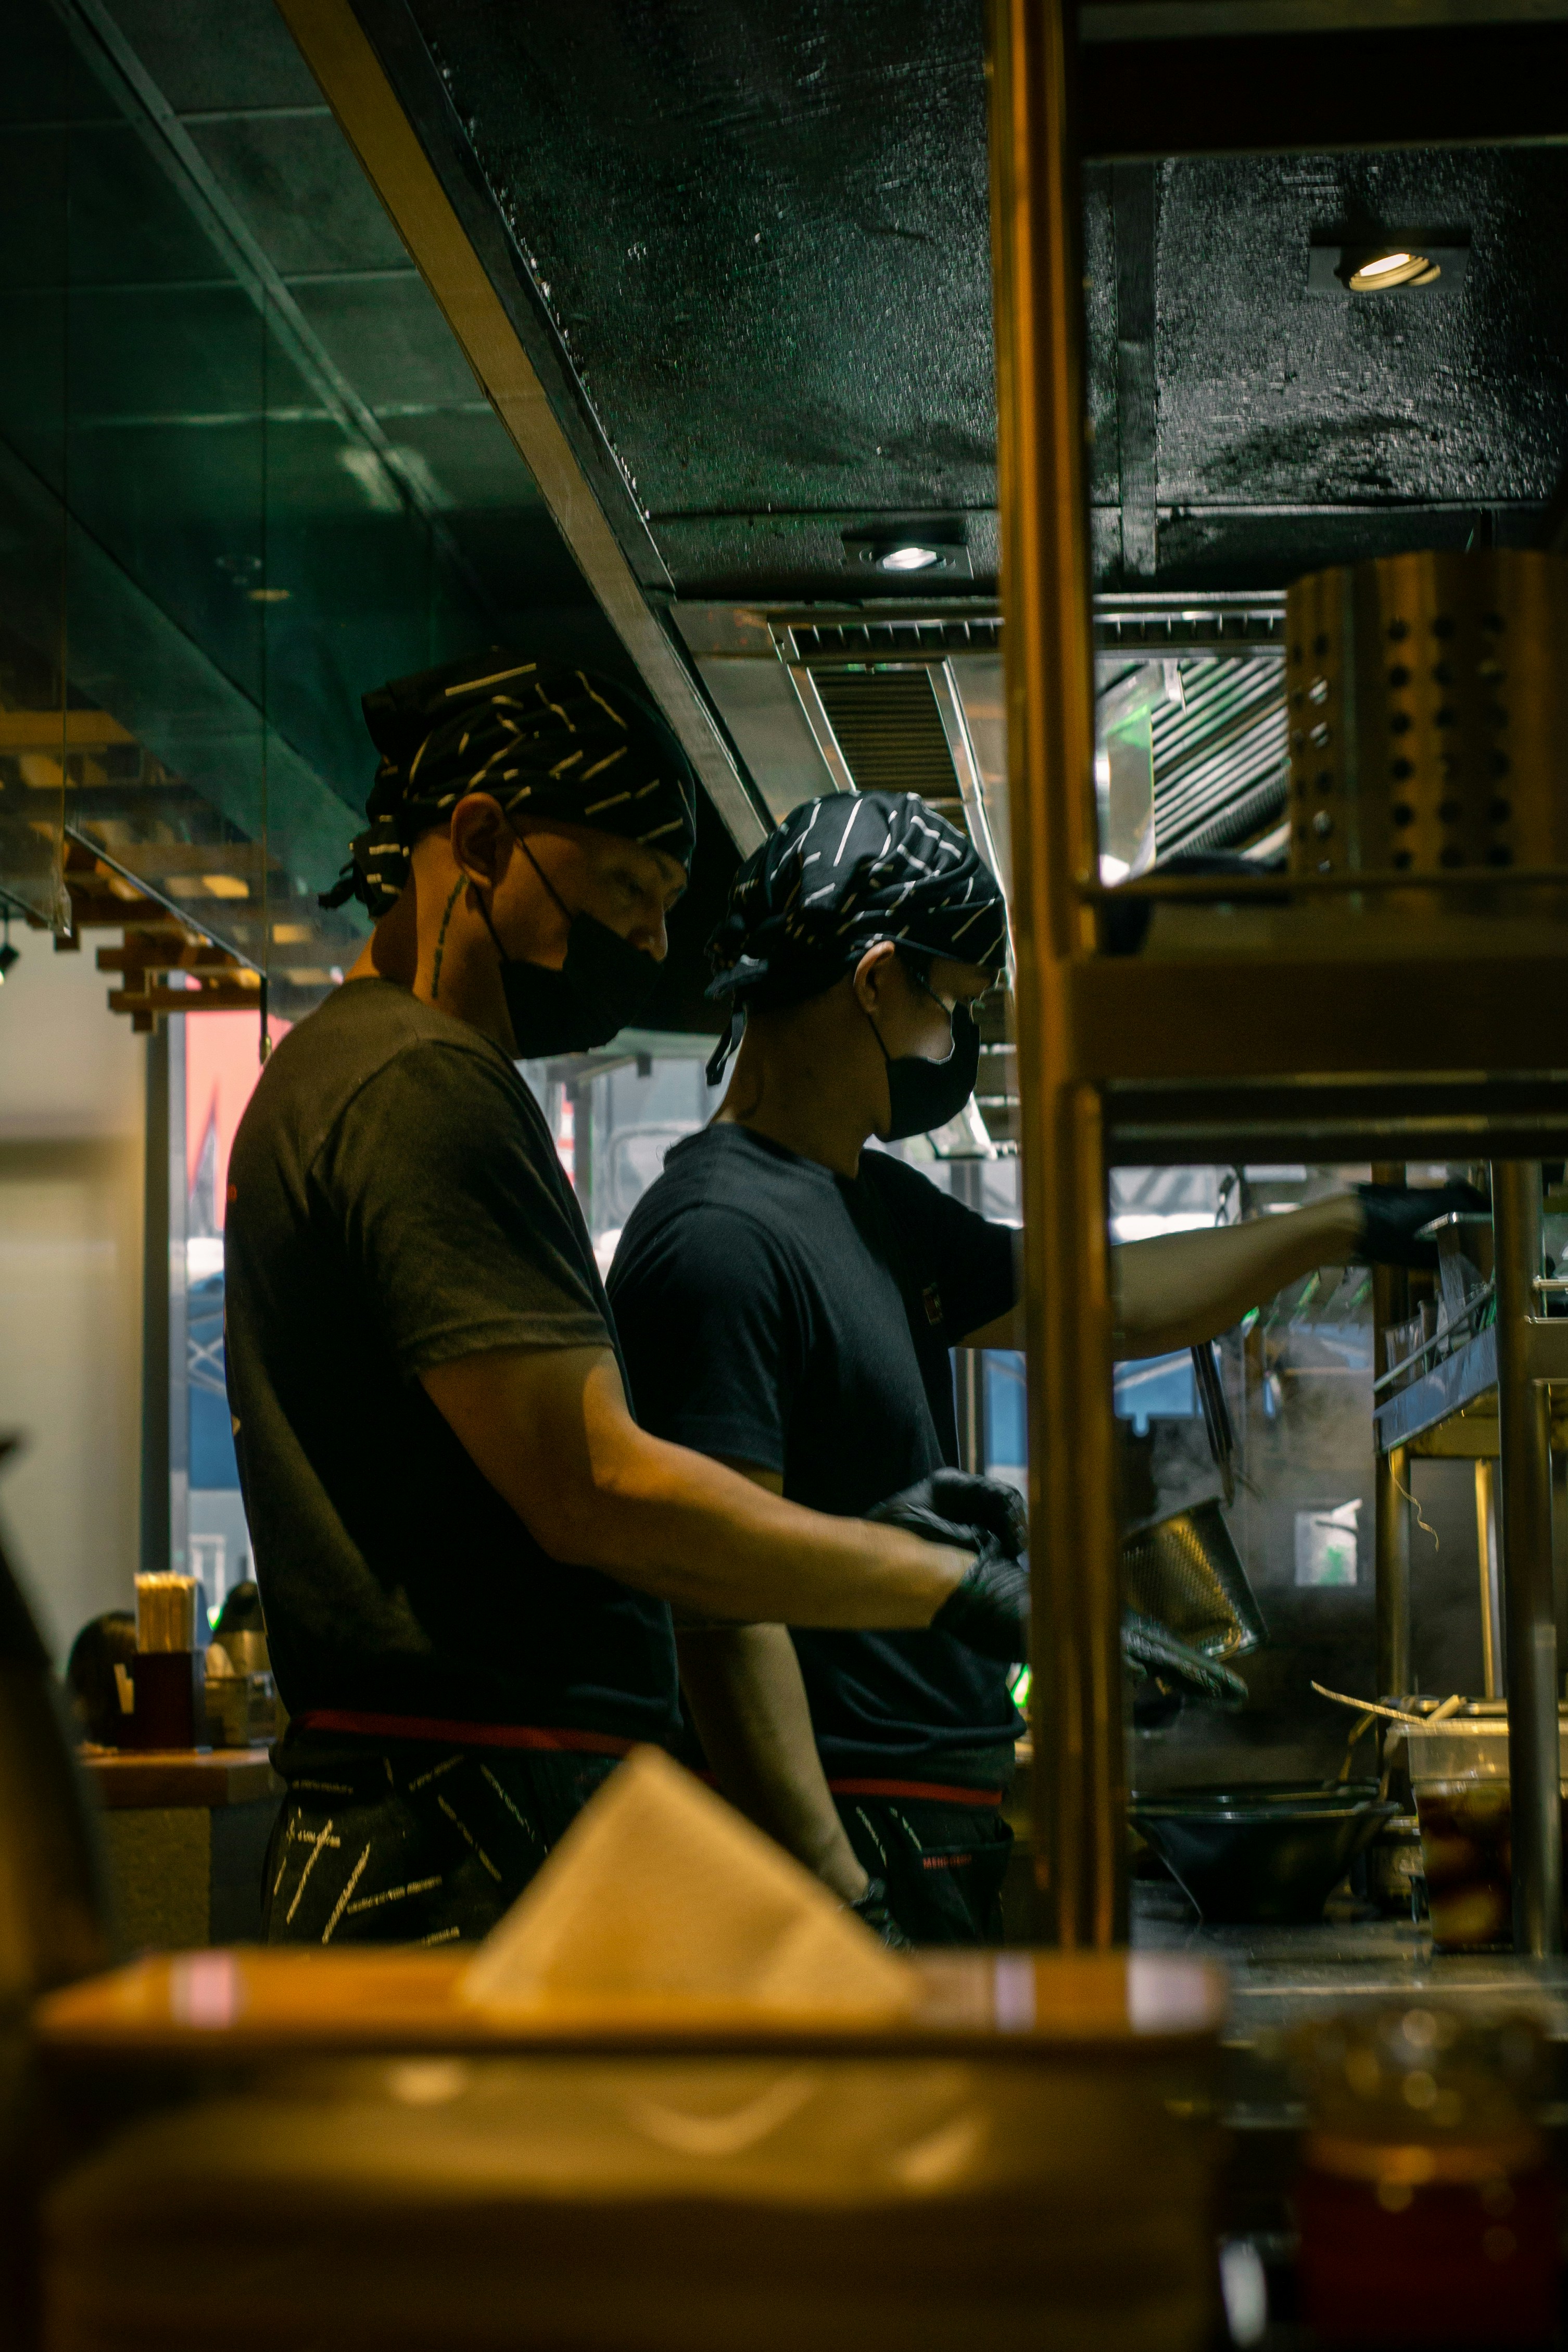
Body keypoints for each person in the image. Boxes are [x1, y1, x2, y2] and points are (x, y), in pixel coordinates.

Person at [223, 658, 1026, 1950]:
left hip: (455, 1817)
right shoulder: (419, 1085)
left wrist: (845, 1537)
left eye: (665, 904)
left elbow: (534, 1491)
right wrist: (935, 1581)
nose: (653, 945)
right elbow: (596, 1490)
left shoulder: (368, 1071)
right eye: (627, 889)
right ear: (482, 841)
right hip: (454, 1836)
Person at [608, 789, 1481, 1943]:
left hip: (921, 1816)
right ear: (875, 981)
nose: (951, 1046)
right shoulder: (719, 1240)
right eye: (953, 1007)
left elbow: (1106, 1301)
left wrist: (1339, 1226)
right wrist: (836, 1885)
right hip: (842, 1827)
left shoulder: (872, 1203)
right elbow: (717, 1600)